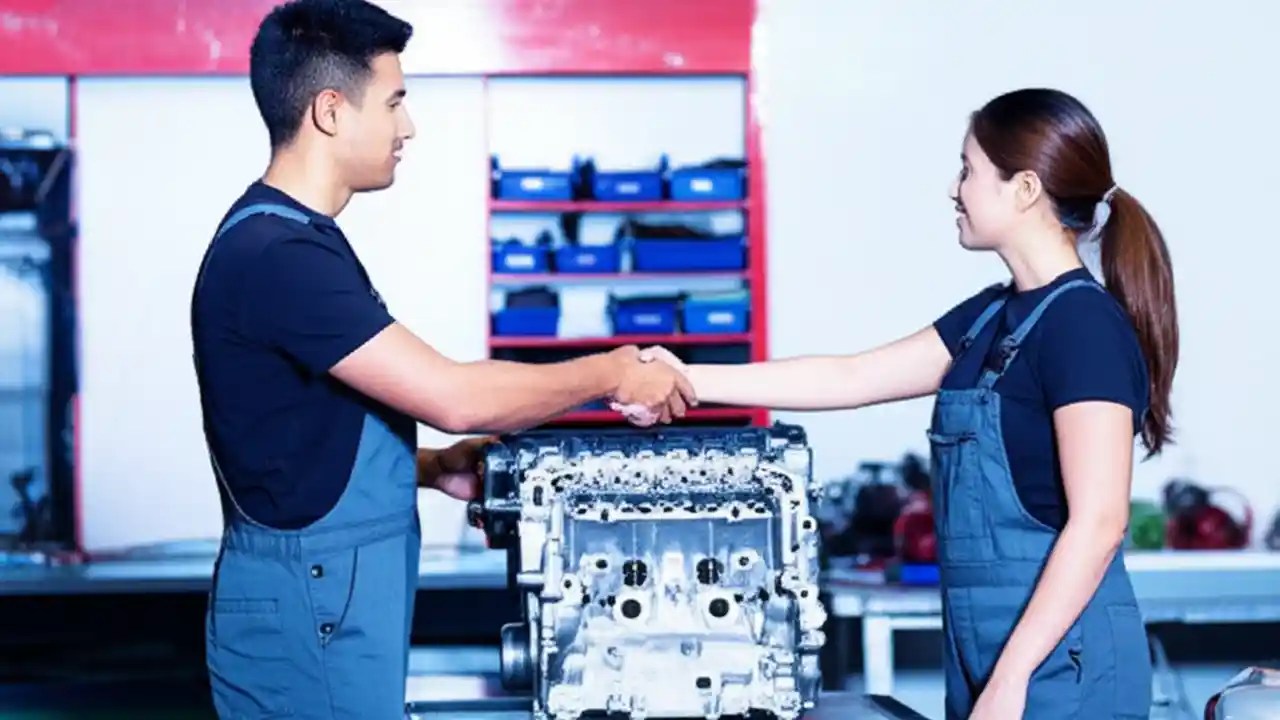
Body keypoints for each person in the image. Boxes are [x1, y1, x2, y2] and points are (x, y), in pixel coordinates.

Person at [188, 1, 694, 718]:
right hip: (311, 608)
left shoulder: (292, 240)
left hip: (327, 596)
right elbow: (453, 395)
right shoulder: (278, 256)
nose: (407, 126)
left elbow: (299, 431)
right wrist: (612, 371)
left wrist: (429, 467)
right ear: (332, 111)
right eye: (394, 102)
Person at [633, 88, 1176, 719]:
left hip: (1063, 662)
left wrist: (1012, 676)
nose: (955, 188)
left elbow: (1101, 522)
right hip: (986, 649)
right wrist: (686, 378)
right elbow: (850, 377)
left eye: (969, 170)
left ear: (1024, 189)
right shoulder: (990, 318)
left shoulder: (1084, 327)